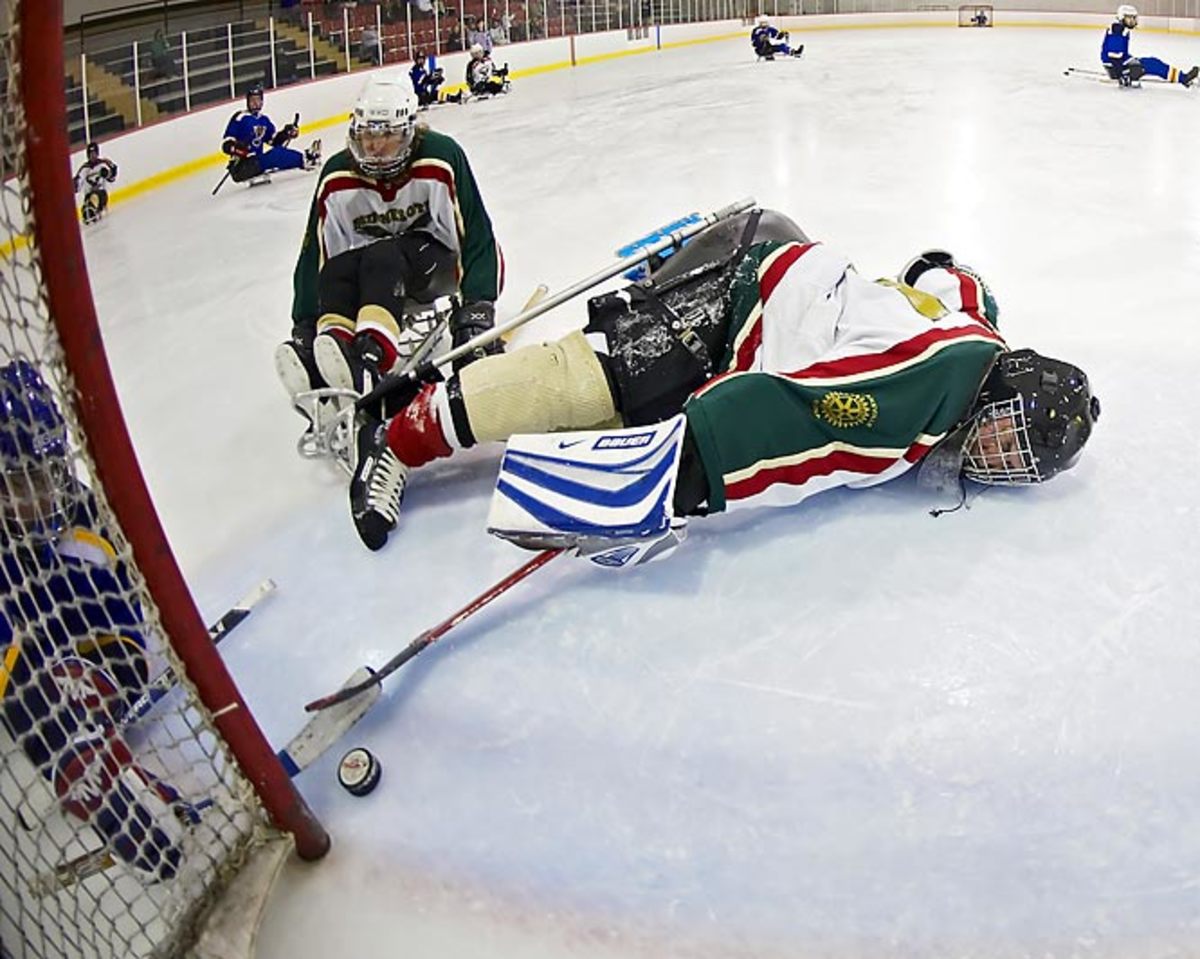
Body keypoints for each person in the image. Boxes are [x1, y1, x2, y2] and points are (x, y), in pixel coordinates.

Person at [343, 208, 1100, 552]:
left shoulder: (982, 331)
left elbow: (956, 280)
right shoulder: (924, 399)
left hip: (776, 260)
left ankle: (483, 389)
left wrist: (923, 275)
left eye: (1017, 463)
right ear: (1006, 384)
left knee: (620, 408)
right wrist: (675, 474)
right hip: (740, 280)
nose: (997, 460)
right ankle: (395, 434)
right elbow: (796, 416)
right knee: (595, 382)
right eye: (1009, 436)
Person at [0, 359, 187, 881]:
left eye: (49, 472)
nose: (42, 495)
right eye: (21, 483)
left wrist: (103, 677)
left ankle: (124, 795)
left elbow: (130, 637)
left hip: (79, 664)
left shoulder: (86, 529)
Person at [275, 75, 505, 446]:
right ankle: (333, 354)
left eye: (386, 136)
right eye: (367, 136)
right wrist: (305, 323)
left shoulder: (441, 157)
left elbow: (476, 233)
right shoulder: (337, 176)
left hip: (438, 266)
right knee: (338, 270)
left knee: (383, 255)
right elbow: (315, 256)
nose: (375, 147)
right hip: (378, 274)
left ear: (410, 131)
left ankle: (370, 358)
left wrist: (476, 308)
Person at [220, 85, 322, 185]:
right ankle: (305, 160)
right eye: (252, 100)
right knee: (275, 155)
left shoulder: (264, 120)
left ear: (262, 102)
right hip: (240, 166)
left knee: (278, 151)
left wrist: (286, 133)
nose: (255, 103)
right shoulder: (240, 117)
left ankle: (306, 156)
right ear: (247, 102)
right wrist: (237, 148)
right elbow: (226, 144)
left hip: (256, 161)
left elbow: (273, 141)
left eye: (258, 100)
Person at [1102, 5, 1198, 87]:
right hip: (1116, 67)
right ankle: (1184, 78)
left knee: (1152, 62)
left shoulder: (1119, 28)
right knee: (1153, 64)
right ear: (1122, 17)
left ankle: (1182, 77)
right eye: (1129, 18)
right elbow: (1114, 55)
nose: (1132, 21)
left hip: (1119, 63)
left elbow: (1117, 54)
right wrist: (1120, 76)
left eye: (1133, 18)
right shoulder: (1118, 30)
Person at [73, 142, 118, 225]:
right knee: (89, 199)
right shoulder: (84, 169)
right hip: (88, 196)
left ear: (97, 153)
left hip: (102, 194)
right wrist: (74, 184)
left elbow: (112, 177)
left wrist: (108, 174)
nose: (92, 156)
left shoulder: (103, 163)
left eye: (94, 153)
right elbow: (77, 186)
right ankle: (89, 208)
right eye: (90, 154)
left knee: (95, 195)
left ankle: (93, 208)